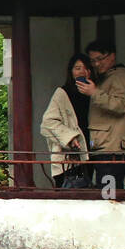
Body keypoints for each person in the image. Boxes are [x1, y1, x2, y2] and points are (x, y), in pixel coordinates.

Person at [80, 38, 125, 190]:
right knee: (108, 188)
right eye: (93, 60)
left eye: (100, 59)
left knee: (108, 191)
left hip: (113, 146)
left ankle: (112, 214)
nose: (97, 64)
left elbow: (120, 105)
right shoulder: (108, 77)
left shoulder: (121, 77)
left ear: (112, 56)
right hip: (107, 144)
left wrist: (94, 92)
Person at [41, 53, 92, 188]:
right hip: (70, 156)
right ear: (71, 72)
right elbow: (47, 123)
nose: (82, 71)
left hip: (91, 150)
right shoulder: (63, 93)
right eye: (77, 68)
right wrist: (69, 137)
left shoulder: (93, 93)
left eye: (86, 68)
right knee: (69, 194)